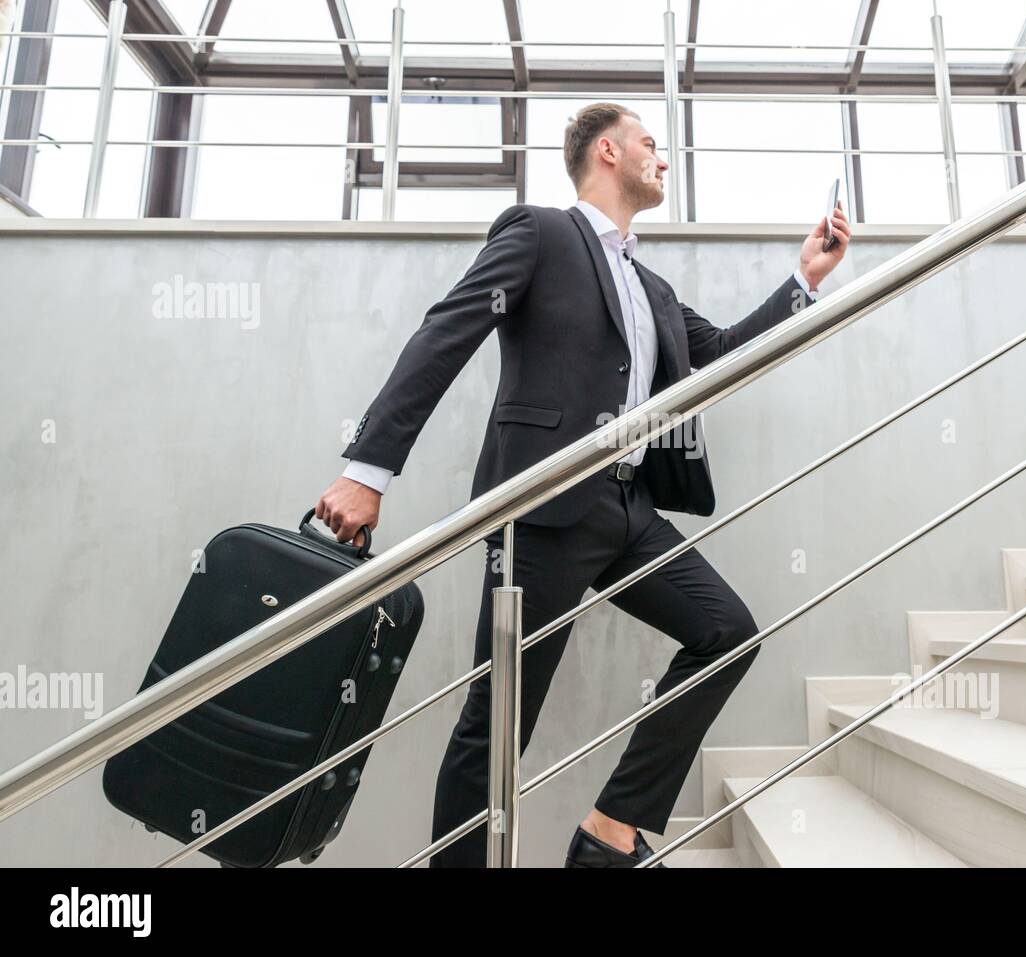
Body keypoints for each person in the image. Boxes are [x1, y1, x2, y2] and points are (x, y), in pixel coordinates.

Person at [315, 102, 851, 867]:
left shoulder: (652, 288)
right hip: (539, 510)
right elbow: (445, 332)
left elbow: (723, 353)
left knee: (726, 631)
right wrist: (367, 472)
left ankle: (609, 831)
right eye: (650, 145)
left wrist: (805, 277)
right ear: (608, 151)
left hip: (627, 508)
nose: (662, 159)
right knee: (497, 722)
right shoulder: (540, 234)